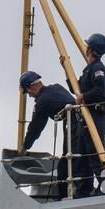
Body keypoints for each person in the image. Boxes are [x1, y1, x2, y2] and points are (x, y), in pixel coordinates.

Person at [19, 70, 83, 200]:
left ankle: (66, 197)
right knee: (78, 159)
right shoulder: (57, 87)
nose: (30, 96)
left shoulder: (42, 101)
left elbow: (35, 127)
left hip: (74, 125)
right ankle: (81, 190)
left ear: (31, 87)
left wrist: (25, 147)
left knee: (65, 165)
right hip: (80, 123)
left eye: (28, 92)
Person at [73, 33, 105, 197]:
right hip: (86, 119)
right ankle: (83, 191)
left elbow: (101, 91)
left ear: (90, 49)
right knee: (82, 157)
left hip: (95, 116)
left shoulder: (98, 69)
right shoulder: (89, 69)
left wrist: (84, 97)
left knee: (97, 157)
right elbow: (79, 89)